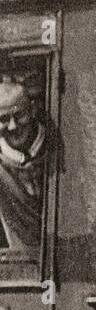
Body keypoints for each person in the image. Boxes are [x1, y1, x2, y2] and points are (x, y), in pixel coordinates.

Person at [0, 76, 51, 254]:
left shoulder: (56, 146)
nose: (12, 126)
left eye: (19, 115)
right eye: (3, 119)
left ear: (33, 110)